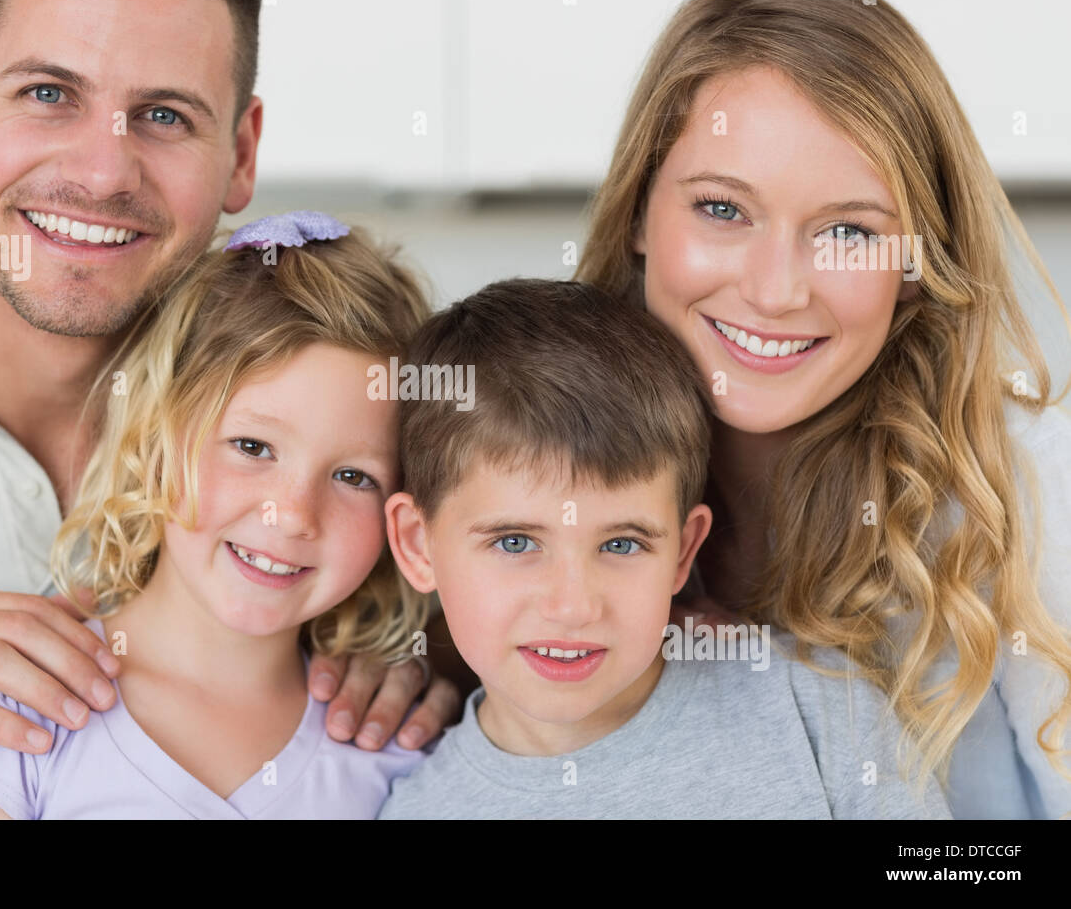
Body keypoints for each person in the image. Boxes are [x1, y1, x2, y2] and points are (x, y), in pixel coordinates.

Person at [0, 0, 454, 820]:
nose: (102, 175)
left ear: (241, 154)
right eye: (49, 93)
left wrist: (416, 649)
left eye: (165, 115)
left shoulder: (274, 360)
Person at [574, 0, 1071, 818]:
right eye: (723, 210)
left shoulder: (1028, 486)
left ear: (916, 264)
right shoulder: (536, 455)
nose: (775, 291)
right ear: (636, 215)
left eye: (847, 231)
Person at [0, 215, 431, 818]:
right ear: (155, 440)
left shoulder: (398, 755)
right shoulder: (12, 710)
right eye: (252, 447)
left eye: (354, 477)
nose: (293, 515)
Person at [378, 278, 951, 819]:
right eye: (516, 542)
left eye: (622, 544)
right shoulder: (414, 808)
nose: (574, 606)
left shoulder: (818, 707)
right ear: (417, 544)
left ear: (683, 551)